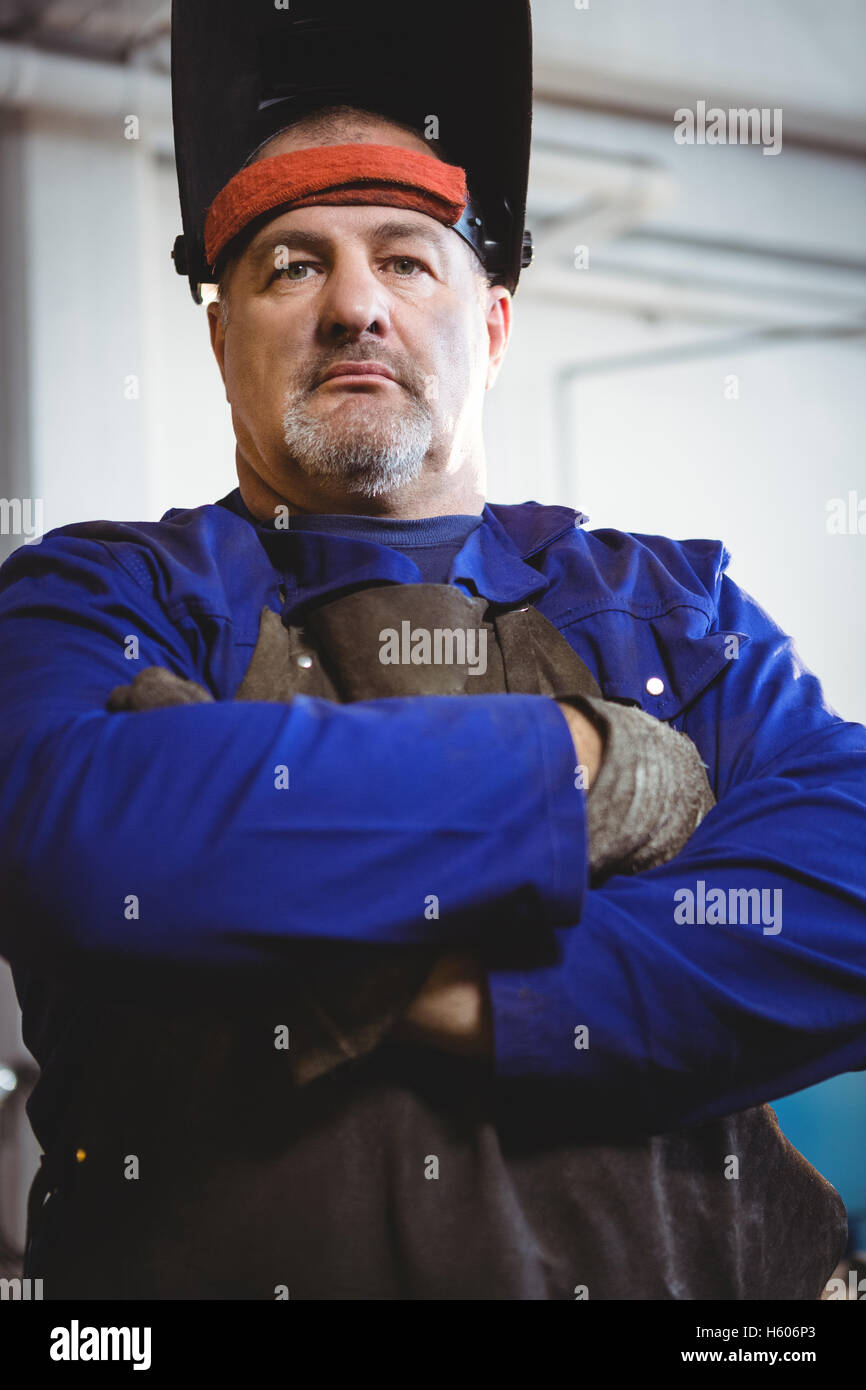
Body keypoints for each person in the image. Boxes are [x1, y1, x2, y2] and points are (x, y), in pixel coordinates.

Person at [0, 52, 863, 1301]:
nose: (355, 304)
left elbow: (843, 897)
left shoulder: (668, 606)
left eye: (404, 258)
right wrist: (587, 763)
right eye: (292, 264)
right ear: (219, 336)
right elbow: (67, 833)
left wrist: (432, 984)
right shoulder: (102, 593)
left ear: (495, 324)